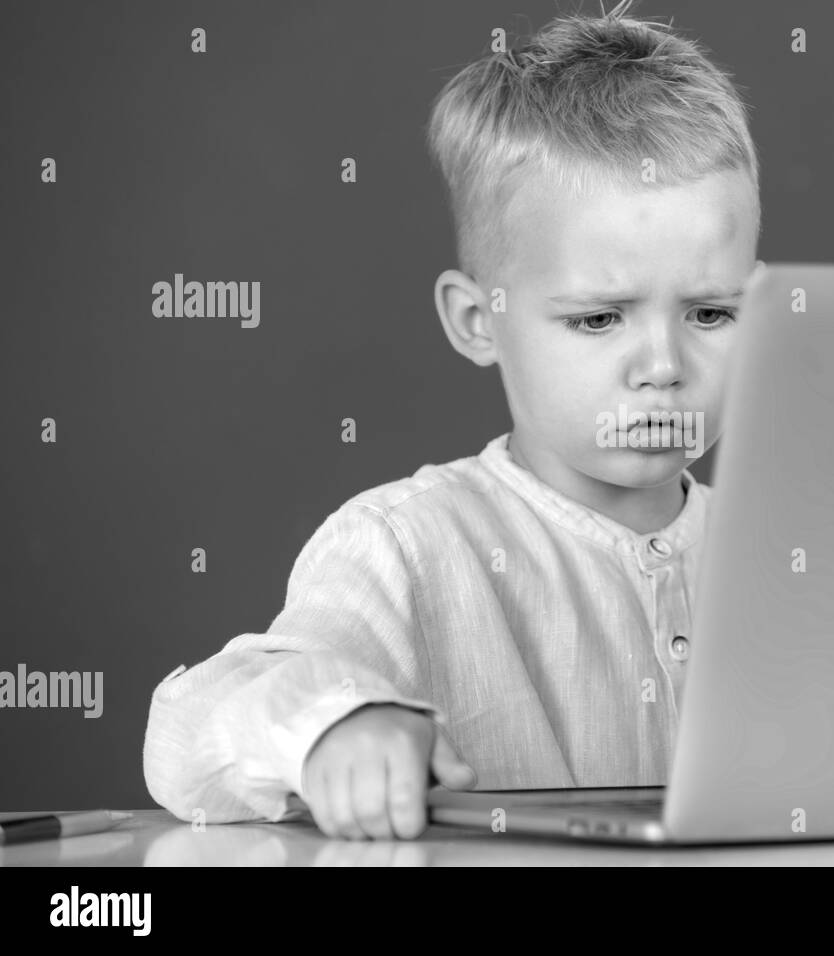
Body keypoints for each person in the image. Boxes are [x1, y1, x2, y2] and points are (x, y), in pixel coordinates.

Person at [143, 0, 764, 841]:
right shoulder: (405, 548)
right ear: (479, 320)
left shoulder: (785, 555)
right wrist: (331, 726)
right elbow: (189, 734)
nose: (663, 365)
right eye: (597, 319)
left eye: (712, 314)